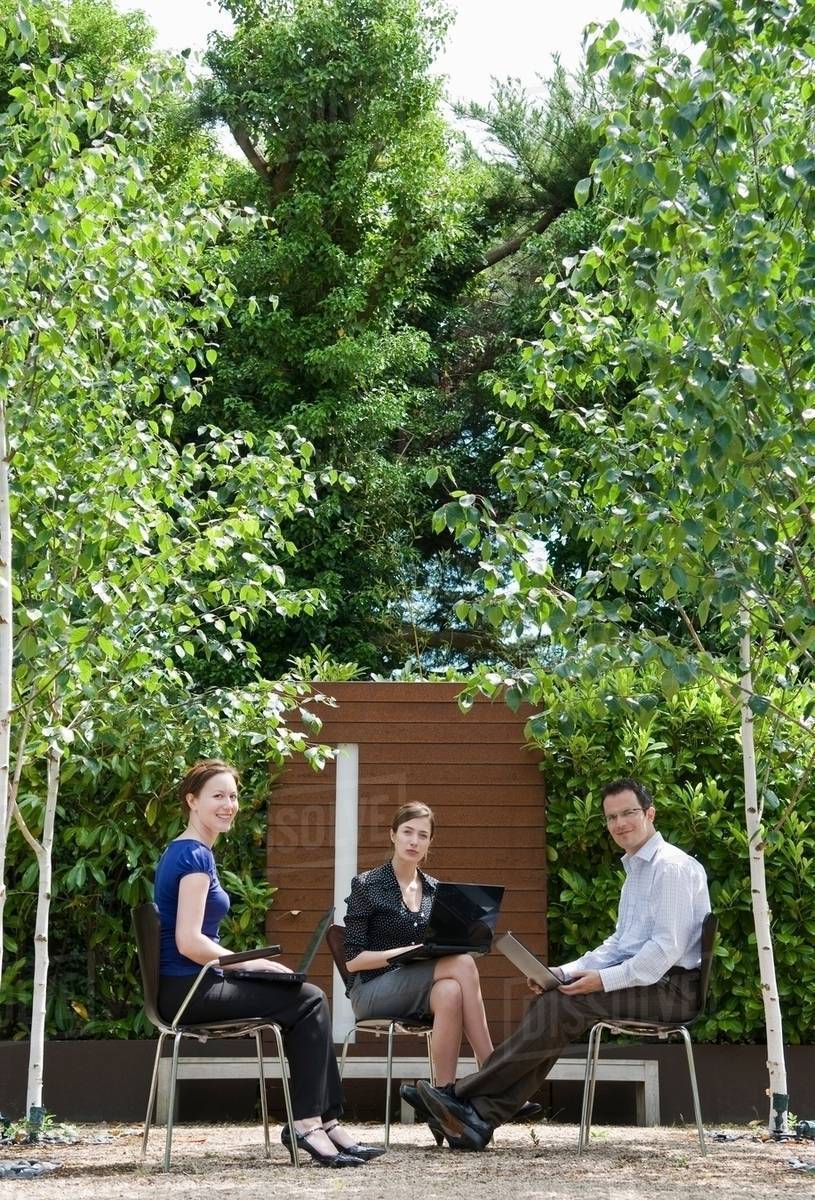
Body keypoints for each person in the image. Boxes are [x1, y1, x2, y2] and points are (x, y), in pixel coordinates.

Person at [412, 778, 711, 1150]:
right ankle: (477, 1118)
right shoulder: (637, 872)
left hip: (673, 990)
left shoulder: (671, 867)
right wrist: (563, 973)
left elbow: (663, 952)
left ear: (650, 814)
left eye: (629, 813)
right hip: (650, 983)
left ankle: (458, 1096)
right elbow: (619, 945)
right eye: (612, 817)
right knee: (551, 997)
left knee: (562, 1005)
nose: (620, 824)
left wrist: (601, 981)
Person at [154, 758, 384, 1168]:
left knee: (307, 997)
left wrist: (252, 964)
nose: (229, 805)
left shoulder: (189, 852)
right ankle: (310, 1123)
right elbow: (188, 942)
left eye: (233, 796)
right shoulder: (193, 857)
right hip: (190, 990)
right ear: (192, 801)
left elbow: (196, 941)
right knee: (308, 1000)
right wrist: (249, 965)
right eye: (218, 796)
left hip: (192, 984)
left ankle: (325, 1121)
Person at [343, 802, 539, 1143]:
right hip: (371, 990)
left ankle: (444, 1098)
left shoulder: (436, 890)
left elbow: (444, 948)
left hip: (419, 988)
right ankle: (494, 1073)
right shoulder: (367, 884)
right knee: (462, 964)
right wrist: (405, 952)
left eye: (422, 835)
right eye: (407, 832)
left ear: (430, 843)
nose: (413, 841)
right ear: (392, 835)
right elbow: (353, 960)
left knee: (451, 990)